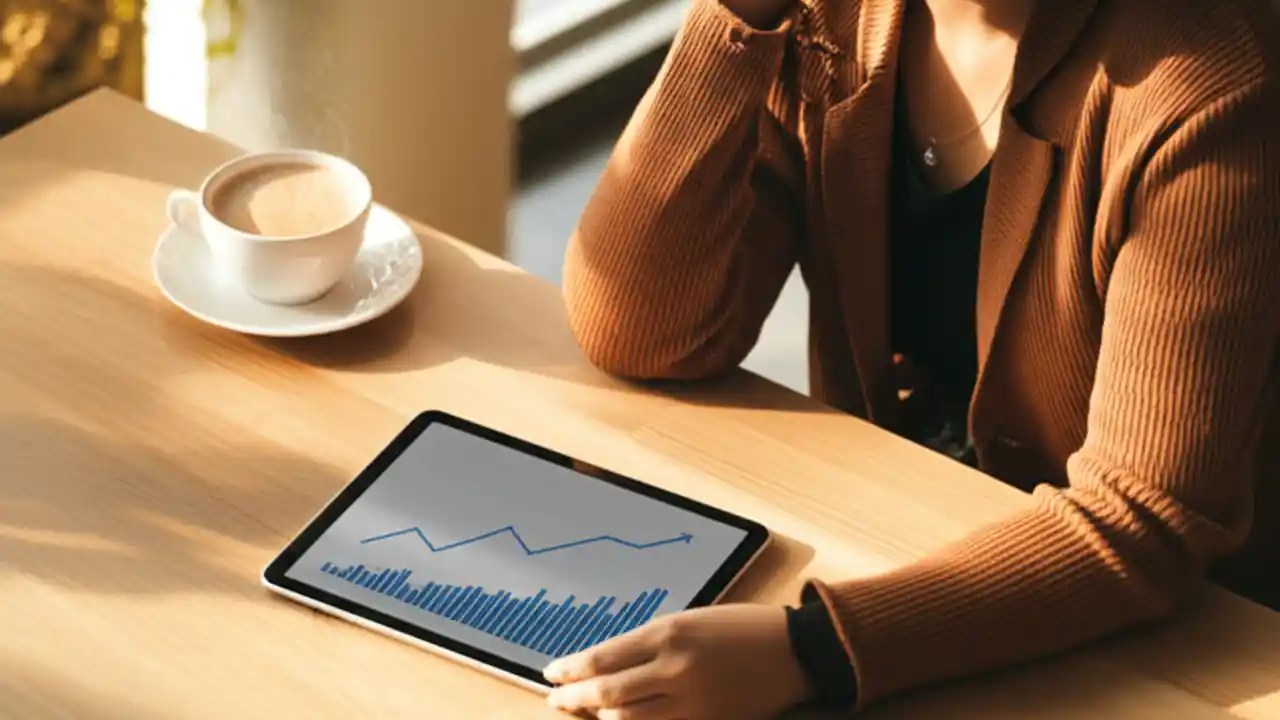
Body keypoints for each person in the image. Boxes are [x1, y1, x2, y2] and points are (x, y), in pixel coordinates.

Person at [543, 0, 1280, 717]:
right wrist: (737, 16)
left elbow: (1145, 519)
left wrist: (812, 652)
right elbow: (642, 328)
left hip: (1160, 652)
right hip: (881, 552)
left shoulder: (1202, 78)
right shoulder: (828, 18)